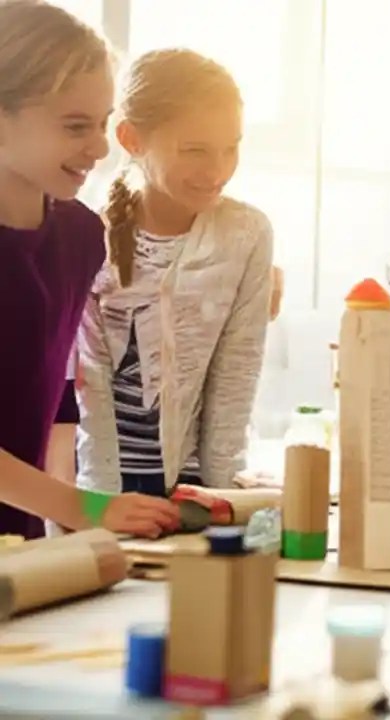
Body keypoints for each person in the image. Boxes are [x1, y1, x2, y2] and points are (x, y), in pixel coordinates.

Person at [0, 0, 177, 538]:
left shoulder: (80, 237)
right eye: (76, 126)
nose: (99, 146)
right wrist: (84, 509)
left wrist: (70, 524)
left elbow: (53, 396)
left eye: (102, 123)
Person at [77, 49, 274, 497]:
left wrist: (223, 499)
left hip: (192, 487)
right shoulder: (87, 231)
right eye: (195, 150)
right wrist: (101, 509)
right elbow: (88, 388)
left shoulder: (246, 234)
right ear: (131, 139)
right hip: (98, 488)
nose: (218, 169)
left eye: (232, 148)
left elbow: (236, 373)